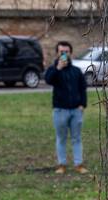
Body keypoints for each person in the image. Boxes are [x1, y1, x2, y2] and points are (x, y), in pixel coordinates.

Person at [44, 41, 88, 174]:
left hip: (76, 110)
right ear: (57, 53)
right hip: (60, 110)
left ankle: (78, 164)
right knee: (61, 138)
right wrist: (58, 68)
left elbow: (83, 88)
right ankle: (61, 164)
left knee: (76, 138)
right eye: (61, 52)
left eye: (66, 52)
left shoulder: (76, 71)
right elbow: (48, 80)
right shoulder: (53, 70)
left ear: (71, 53)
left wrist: (82, 105)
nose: (64, 54)